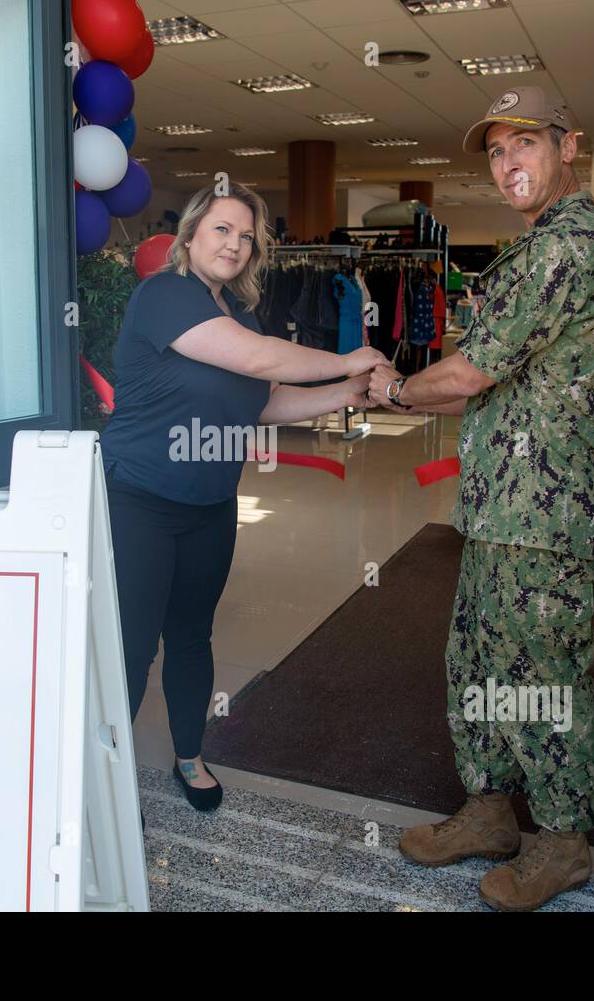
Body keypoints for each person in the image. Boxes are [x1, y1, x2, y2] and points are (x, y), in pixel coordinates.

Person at [367, 86, 594, 911]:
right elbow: (489, 375)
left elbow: (471, 372)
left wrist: (396, 389)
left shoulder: (569, 251)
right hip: (506, 509)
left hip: (543, 517)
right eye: (495, 150)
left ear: (568, 146)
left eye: (525, 144)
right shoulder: (543, 247)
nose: (509, 162)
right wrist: (416, 389)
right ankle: (489, 812)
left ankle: (561, 843)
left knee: (544, 675)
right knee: (480, 664)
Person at [101, 183, 387, 812]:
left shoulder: (238, 313)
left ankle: (188, 754)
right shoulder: (163, 296)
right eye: (222, 229)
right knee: (132, 643)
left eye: (247, 236)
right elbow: (259, 360)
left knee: (192, 636)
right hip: (140, 499)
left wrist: (345, 395)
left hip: (210, 503)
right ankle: (103, 776)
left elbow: (262, 400)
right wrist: (350, 358)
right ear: (192, 235)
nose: (235, 243)